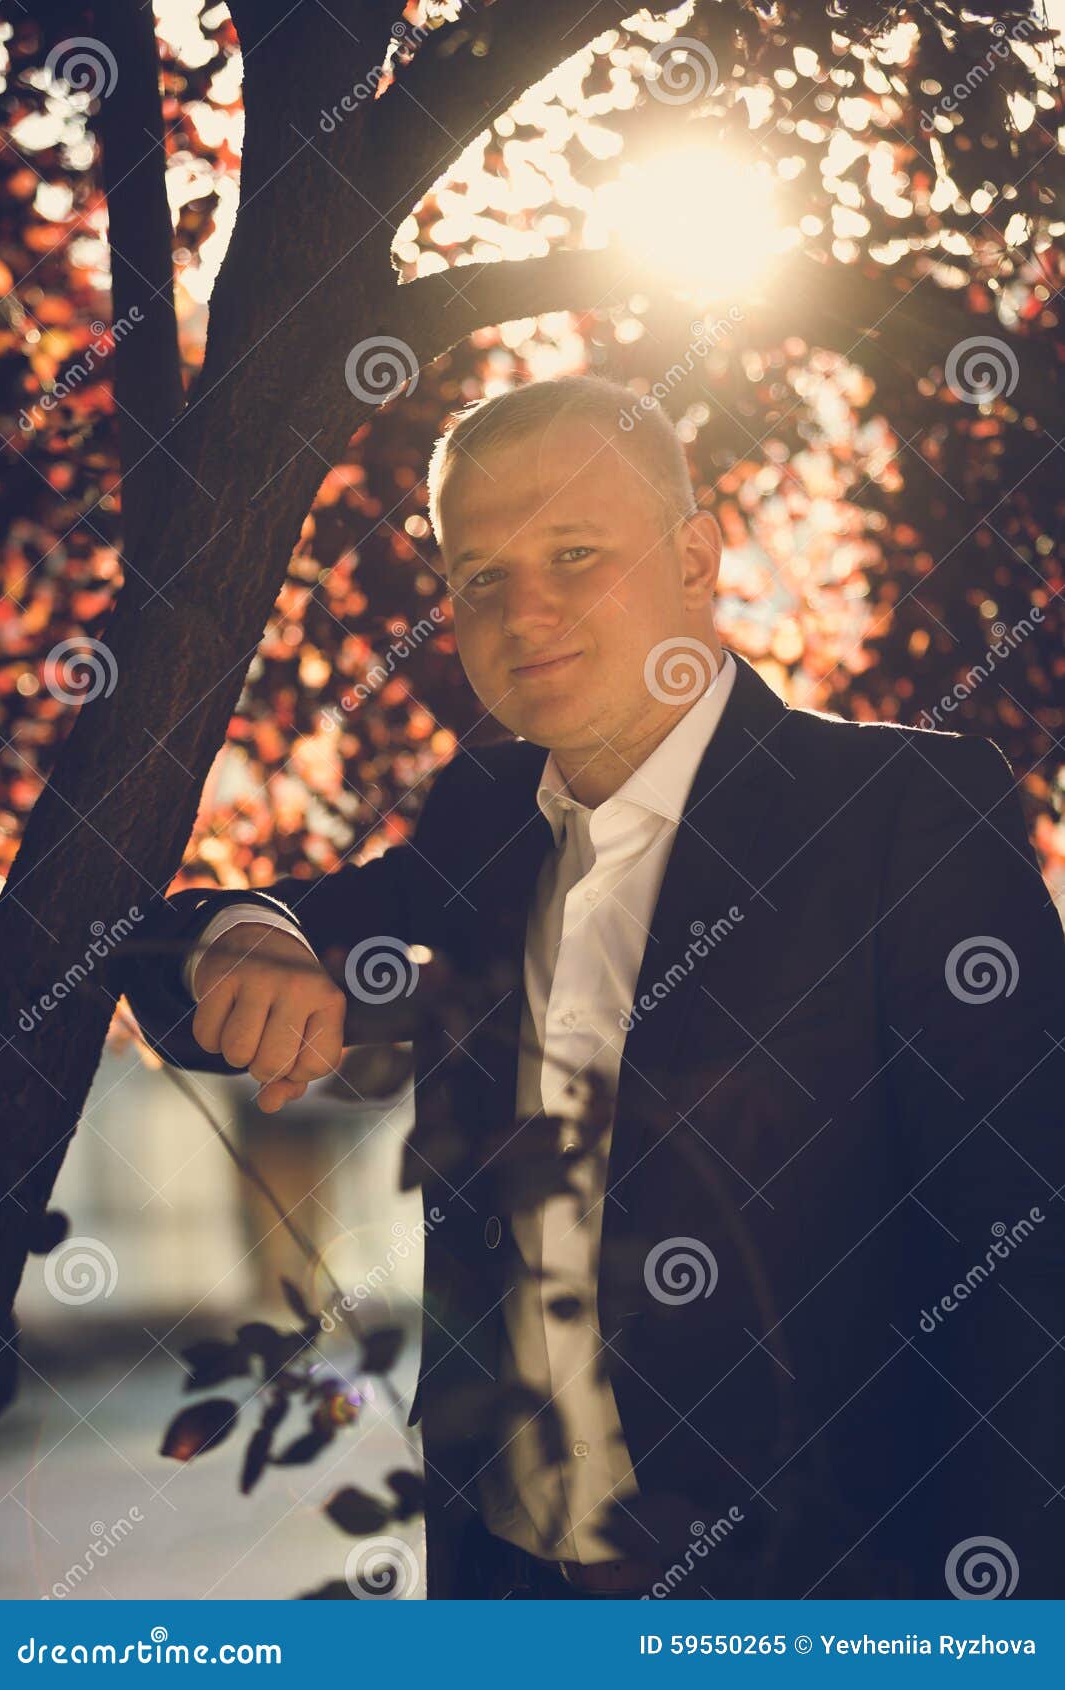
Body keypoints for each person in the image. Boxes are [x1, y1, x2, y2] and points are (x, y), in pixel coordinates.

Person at [121, 376, 1065, 1600]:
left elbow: (1027, 1260)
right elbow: (173, 945)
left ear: (692, 559)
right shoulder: (480, 824)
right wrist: (238, 937)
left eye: (575, 552)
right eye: (479, 578)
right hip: (500, 1577)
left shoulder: (903, 815)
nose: (528, 611)